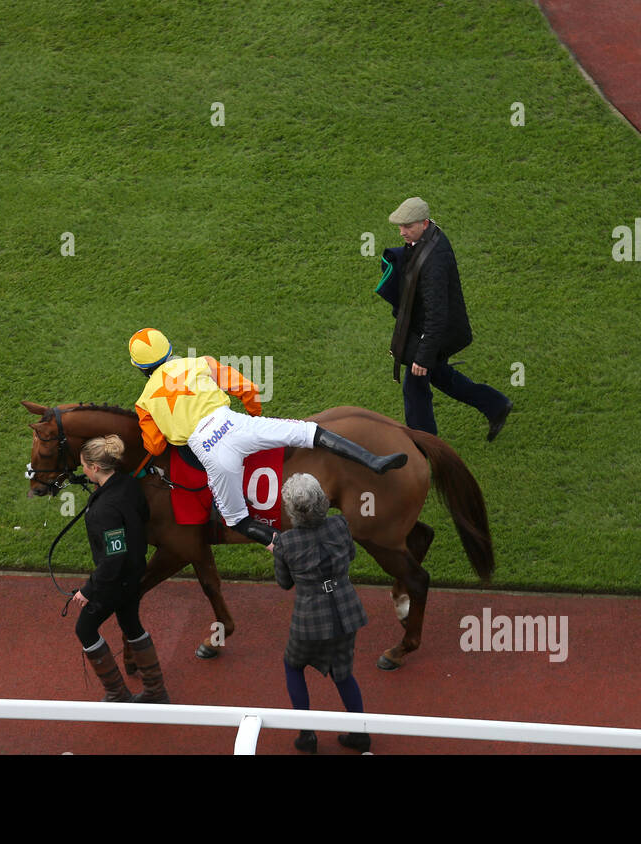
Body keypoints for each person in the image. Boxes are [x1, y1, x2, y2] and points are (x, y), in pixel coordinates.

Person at [128, 327, 408, 549]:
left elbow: (155, 445)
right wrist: (254, 415)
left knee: (237, 520)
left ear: (140, 368)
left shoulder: (144, 402)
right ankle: (374, 461)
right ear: (170, 350)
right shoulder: (199, 363)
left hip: (212, 454)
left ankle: (289, 546)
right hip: (237, 425)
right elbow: (247, 389)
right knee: (308, 432)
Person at [386, 196, 513, 442]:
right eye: (399, 226)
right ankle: (495, 404)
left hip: (435, 334)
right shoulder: (426, 237)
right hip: (435, 332)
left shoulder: (435, 260)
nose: (402, 232)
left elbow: (437, 314)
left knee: (415, 386)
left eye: (407, 227)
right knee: (440, 376)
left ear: (424, 223)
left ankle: (426, 446)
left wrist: (423, 356)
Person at [273, 473, 370, 753]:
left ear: (292, 510)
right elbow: (349, 556)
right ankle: (360, 733)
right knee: (343, 674)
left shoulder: (285, 543)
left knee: (293, 666)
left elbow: (284, 583)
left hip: (309, 623)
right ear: (322, 501)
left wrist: (280, 553)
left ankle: (307, 736)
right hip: (347, 613)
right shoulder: (340, 524)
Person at [70, 434, 169, 704]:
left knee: (85, 629)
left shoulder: (105, 509)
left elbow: (114, 556)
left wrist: (88, 590)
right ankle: (155, 692)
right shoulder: (127, 484)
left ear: (96, 468)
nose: (82, 470)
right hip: (136, 572)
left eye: (84, 466)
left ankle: (117, 693)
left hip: (115, 580)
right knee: (130, 623)